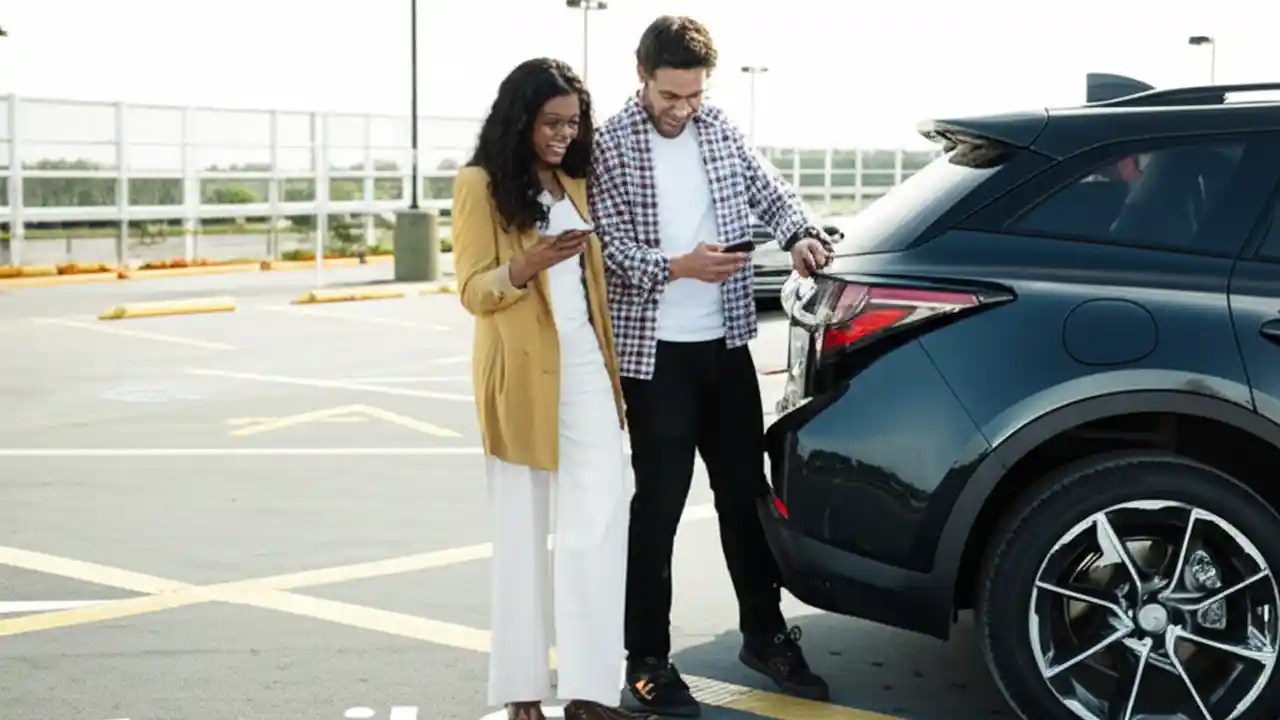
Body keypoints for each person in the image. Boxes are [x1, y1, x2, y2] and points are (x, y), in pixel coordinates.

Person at [589, 16, 835, 717]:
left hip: (725, 345)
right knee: (659, 508)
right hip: (655, 354)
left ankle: (765, 634)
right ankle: (647, 659)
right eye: (671, 95)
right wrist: (678, 267)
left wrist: (800, 233)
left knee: (744, 495)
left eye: (695, 94)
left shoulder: (717, 126)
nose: (684, 108)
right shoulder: (609, 145)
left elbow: (769, 188)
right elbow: (605, 249)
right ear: (642, 77)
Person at [451, 57, 655, 720]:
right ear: (520, 119)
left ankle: (590, 691)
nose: (565, 134)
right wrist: (526, 265)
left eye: (572, 122)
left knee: (599, 522)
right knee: (522, 532)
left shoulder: (574, 179)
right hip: (520, 376)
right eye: (551, 122)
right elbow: (472, 291)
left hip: (587, 368)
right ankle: (521, 691)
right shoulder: (480, 184)